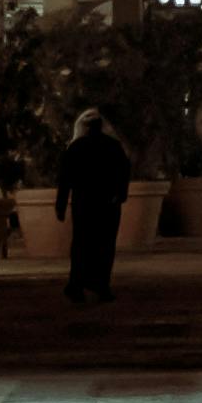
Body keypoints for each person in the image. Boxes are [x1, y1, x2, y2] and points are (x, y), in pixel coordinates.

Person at [53, 98, 130, 307]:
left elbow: (65, 179)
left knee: (81, 244)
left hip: (84, 203)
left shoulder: (76, 148)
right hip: (107, 203)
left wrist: (60, 205)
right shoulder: (113, 146)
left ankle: (77, 285)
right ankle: (101, 285)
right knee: (105, 245)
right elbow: (123, 173)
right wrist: (120, 195)